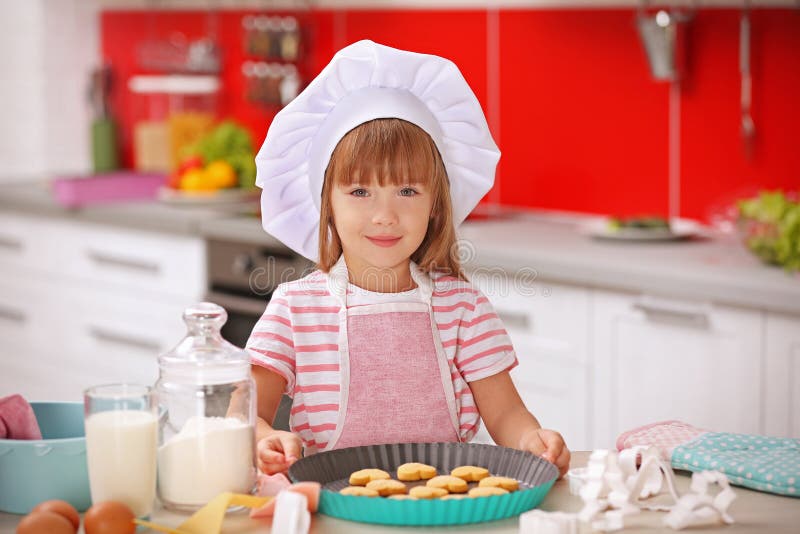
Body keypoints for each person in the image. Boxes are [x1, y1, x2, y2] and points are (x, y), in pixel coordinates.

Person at [246, 40, 570, 478]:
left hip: (444, 507)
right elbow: (244, 415)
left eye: (407, 191)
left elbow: (508, 417)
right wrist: (265, 438)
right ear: (328, 204)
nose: (385, 216)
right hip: (336, 507)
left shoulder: (463, 309)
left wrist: (535, 440)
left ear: (436, 204)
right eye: (360, 192)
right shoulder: (295, 310)